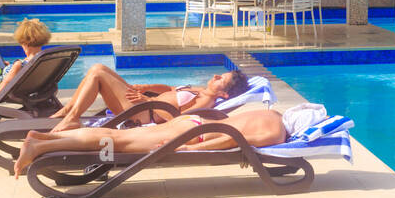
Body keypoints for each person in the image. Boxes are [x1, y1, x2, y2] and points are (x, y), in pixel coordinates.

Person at [12, 104, 290, 177]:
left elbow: (232, 129)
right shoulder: (276, 133)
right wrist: (189, 147)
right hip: (192, 134)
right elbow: (232, 140)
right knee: (114, 141)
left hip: (191, 123)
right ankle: (40, 146)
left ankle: (46, 137)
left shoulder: (271, 112)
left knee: (117, 137)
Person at [48, 65, 251, 132]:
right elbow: (171, 88)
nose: (216, 76)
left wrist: (148, 102)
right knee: (98, 68)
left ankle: (73, 115)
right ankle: (68, 111)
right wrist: (147, 88)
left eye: (220, 79)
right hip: (143, 101)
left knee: (97, 75)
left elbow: (179, 121)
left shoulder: (206, 102)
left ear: (224, 94)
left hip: (141, 113)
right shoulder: (201, 90)